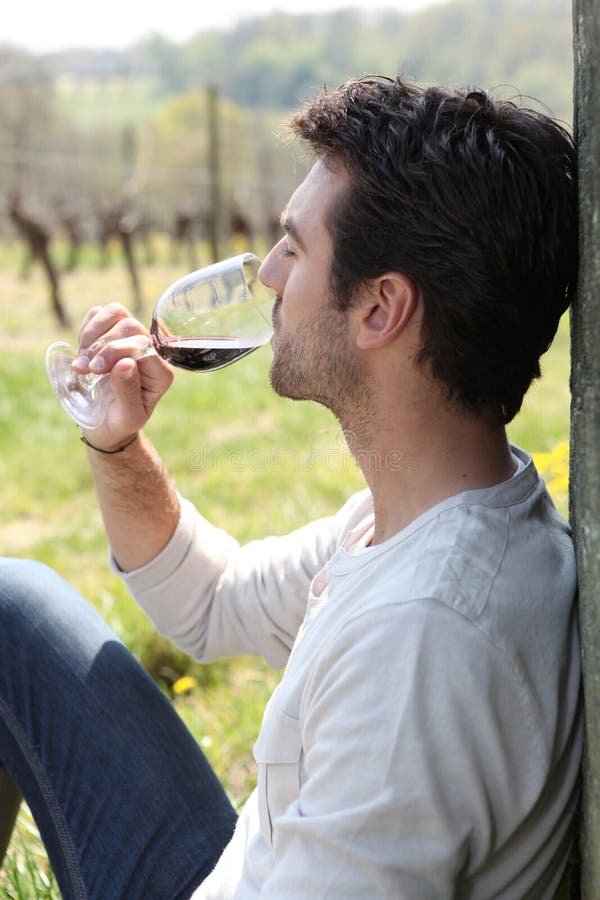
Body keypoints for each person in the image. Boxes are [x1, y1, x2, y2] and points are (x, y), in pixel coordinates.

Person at [0, 75, 581, 898]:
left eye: (295, 247)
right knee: (9, 605)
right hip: (243, 868)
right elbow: (212, 600)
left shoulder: (422, 648)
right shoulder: (426, 514)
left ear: (381, 309)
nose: (268, 273)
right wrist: (117, 443)